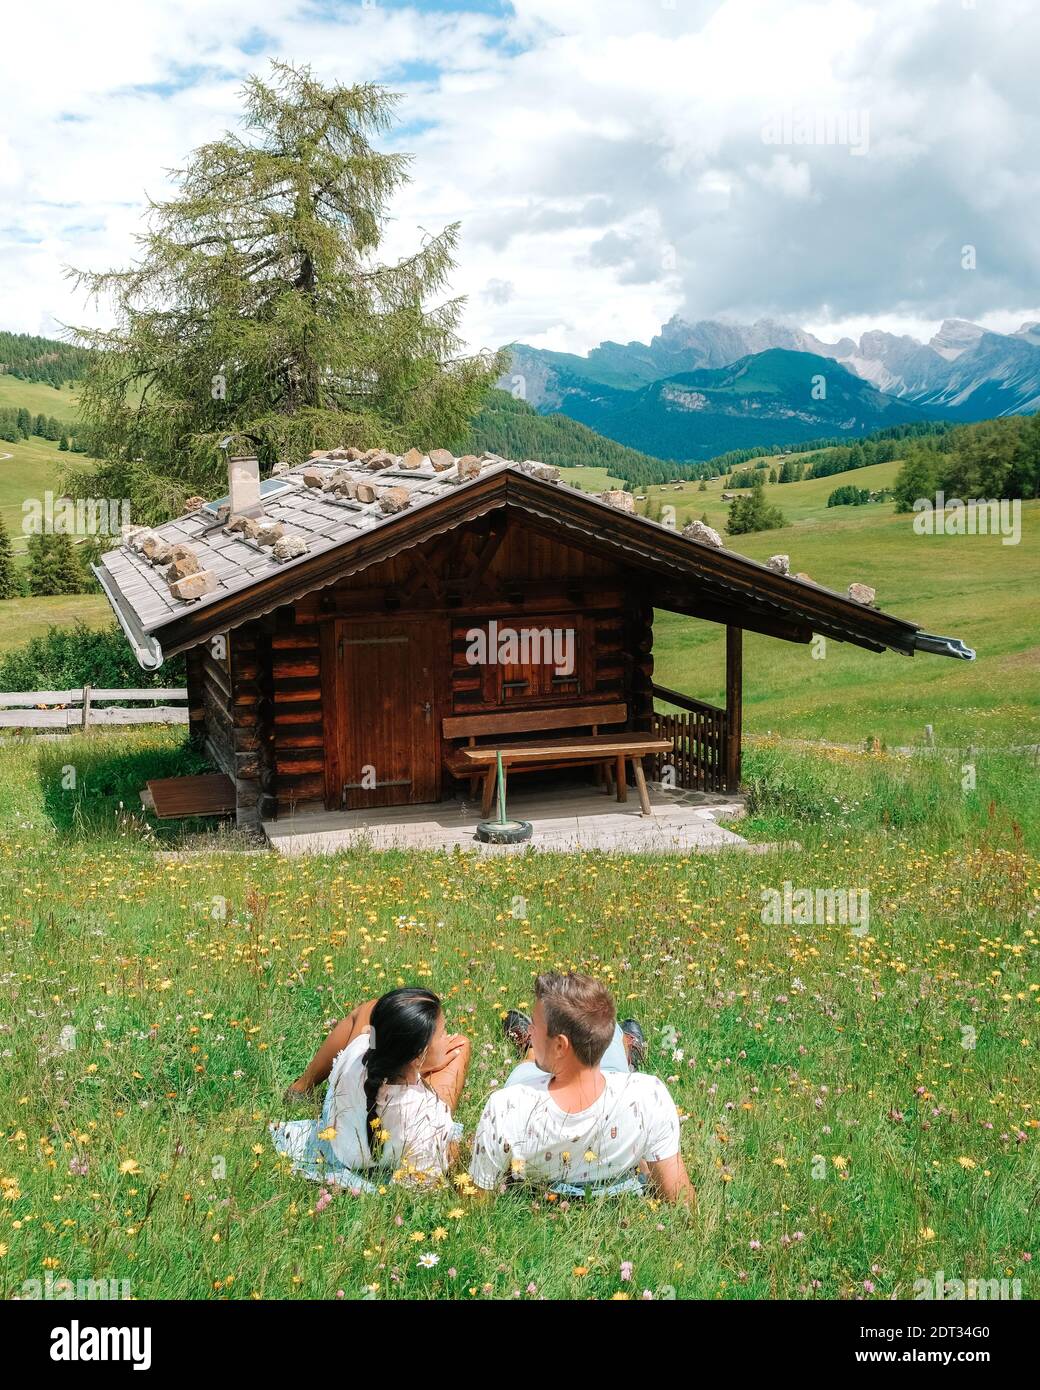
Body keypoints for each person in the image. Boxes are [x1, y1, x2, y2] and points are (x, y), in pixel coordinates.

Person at [469, 972, 694, 1204]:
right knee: (606, 1037)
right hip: (605, 1079)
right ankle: (624, 1047)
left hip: (537, 1084)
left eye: (534, 1026)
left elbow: (478, 1200)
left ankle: (530, 1052)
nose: (532, 1029)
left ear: (559, 1045)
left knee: (524, 1070)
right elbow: (680, 1199)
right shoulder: (648, 1095)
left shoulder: (507, 1105)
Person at [271, 987, 470, 1189]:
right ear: (418, 1056)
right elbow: (422, 1183)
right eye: (442, 1033)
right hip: (400, 1145)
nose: (446, 1038)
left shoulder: (356, 1054)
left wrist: (417, 1064)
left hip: (342, 1141)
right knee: (461, 1045)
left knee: (369, 1007)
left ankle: (301, 1086)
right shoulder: (429, 1118)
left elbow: (372, 1035)